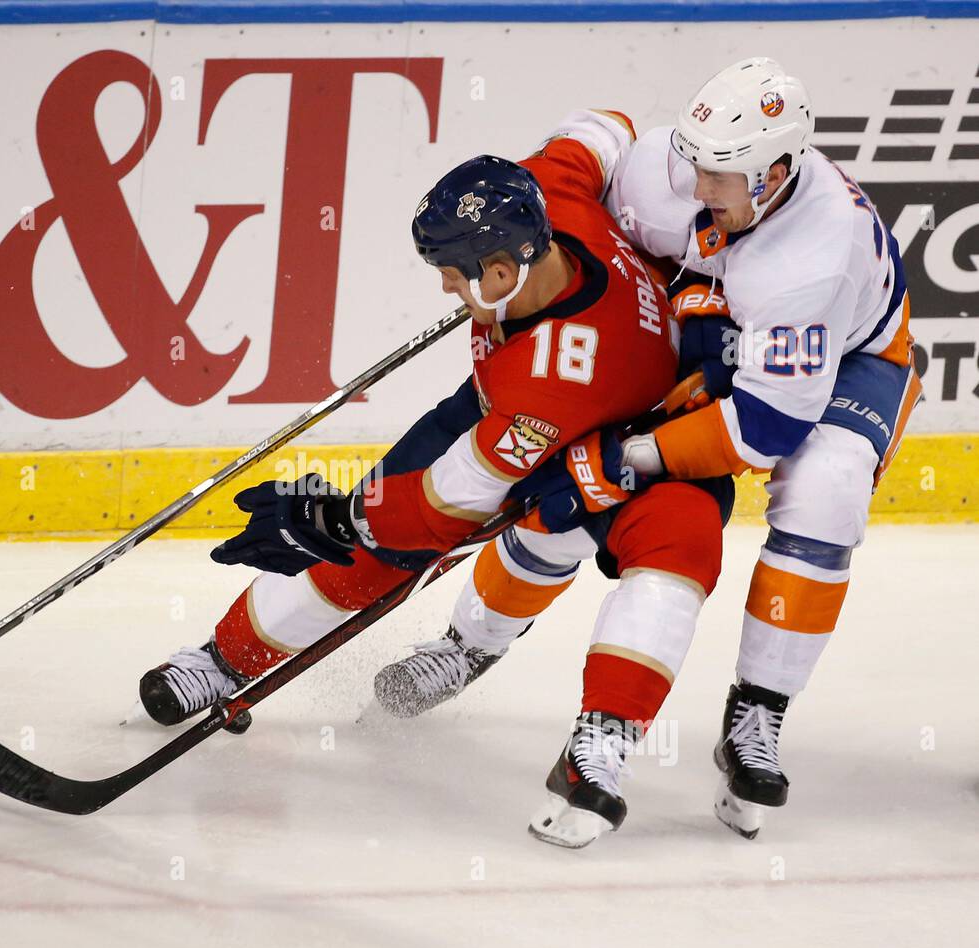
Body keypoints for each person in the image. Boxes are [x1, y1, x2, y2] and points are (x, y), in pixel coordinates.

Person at [137, 115, 731, 847]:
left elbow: (449, 501)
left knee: (383, 546)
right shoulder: (553, 198)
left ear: (504, 273)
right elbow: (603, 128)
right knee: (372, 543)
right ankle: (227, 658)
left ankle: (570, 722)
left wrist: (340, 517)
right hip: (494, 409)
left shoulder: (554, 382)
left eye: (453, 275)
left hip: (596, 442)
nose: (448, 289)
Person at [379, 57, 919, 840]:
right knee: (559, 477)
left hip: (846, 360)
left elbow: (763, 430)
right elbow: (590, 160)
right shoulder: (675, 170)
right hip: (700, 341)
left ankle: (757, 712)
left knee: (826, 487)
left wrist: (626, 459)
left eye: (723, 176)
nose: (699, 188)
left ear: (774, 172)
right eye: (696, 164)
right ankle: (469, 645)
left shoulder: (811, 262)